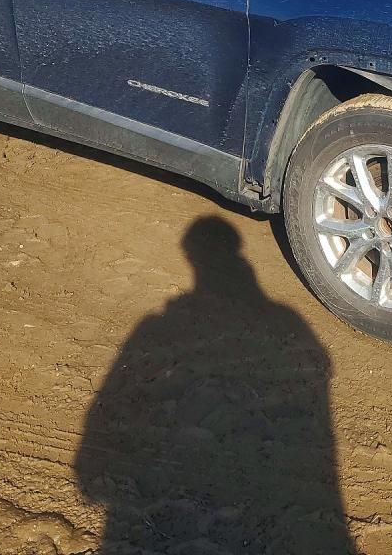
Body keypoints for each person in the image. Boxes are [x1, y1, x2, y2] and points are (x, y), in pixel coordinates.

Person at [76, 216, 351, 554]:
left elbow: (109, 408)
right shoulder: (288, 322)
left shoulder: (159, 326)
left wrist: (91, 471)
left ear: (191, 258)